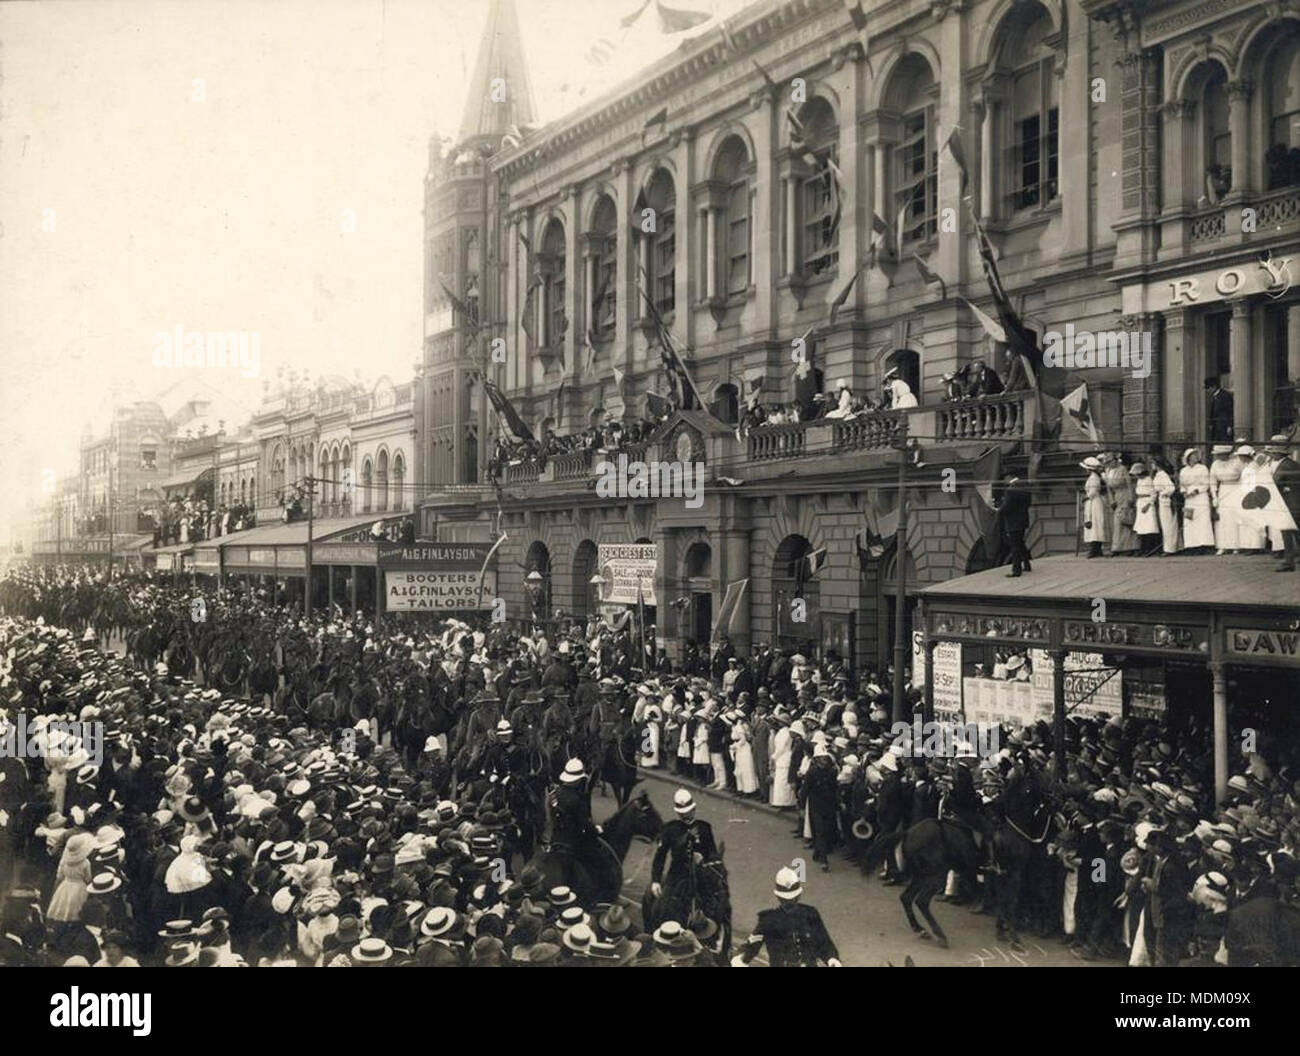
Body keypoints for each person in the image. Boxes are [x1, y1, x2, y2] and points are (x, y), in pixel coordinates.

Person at [733, 866, 842, 966]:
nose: (789, 903)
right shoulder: (768, 921)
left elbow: (824, 943)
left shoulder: (810, 914)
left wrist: (832, 959)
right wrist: (740, 958)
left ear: (799, 896)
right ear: (778, 897)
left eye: (792, 899)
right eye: (785, 900)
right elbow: (752, 946)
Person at [649, 788, 719, 903]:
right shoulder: (669, 829)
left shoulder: (704, 828)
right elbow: (660, 857)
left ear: (694, 809)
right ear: (677, 813)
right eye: (682, 814)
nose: (686, 816)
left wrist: (702, 858)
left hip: (700, 876)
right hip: (677, 876)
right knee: (665, 905)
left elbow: (713, 854)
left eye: (688, 812)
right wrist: (655, 880)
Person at [1264, 435, 1300, 571]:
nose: (1272, 454)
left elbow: (1276, 483)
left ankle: (1288, 561)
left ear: (1279, 452)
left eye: (1273, 452)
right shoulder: (1291, 464)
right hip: (1293, 502)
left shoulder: (1286, 466)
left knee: (1287, 532)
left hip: (1289, 503)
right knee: (1295, 532)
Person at [995, 471, 1032, 576]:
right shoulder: (1025, 486)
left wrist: (998, 510)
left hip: (1013, 522)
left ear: (1009, 477)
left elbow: (1007, 507)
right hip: (1023, 520)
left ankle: (1016, 570)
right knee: (1020, 543)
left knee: (1015, 546)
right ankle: (1027, 564)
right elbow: (1028, 503)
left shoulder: (1010, 490)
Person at [1178, 448, 1215, 553]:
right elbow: (1182, 485)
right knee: (1190, 520)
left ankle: (1204, 545)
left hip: (1200, 496)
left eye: (1195, 455)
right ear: (1188, 458)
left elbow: (1206, 484)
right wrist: (1184, 492)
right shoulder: (1183, 470)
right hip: (1189, 498)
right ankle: (1191, 545)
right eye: (1192, 456)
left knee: (1202, 520)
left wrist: (1196, 491)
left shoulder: (1202, 468)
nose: (1195, 457)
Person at [1103, 452, 1139, 555]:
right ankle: (1117, 547)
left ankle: (1131, 547)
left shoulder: (1122, 469)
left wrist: (1131, 498)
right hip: (1116, 496)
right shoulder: (1108, 471)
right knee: (1116, 522)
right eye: (1107, 462)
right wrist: (1112, 500)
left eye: (1111, 461)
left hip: (1125, 494)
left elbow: (1129, 484)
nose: (1110, 463)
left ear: (1115, 460)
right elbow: (1108, 488)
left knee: (1126, 520)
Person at [1208, 444, 1241, 554]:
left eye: (1221, 454)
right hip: (1223, 490)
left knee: (1234, 517)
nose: (1218, 457)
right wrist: (1214, 496)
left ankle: (1236, 545)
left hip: (1236, 489)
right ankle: (1223, 545)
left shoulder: (1237, 462)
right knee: (1223, 518)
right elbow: (1212, 481)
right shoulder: (1215, 464)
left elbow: (1244, 477)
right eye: (1217, 455)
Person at [1079, 455, 1109, 558]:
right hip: (1092, 502)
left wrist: (1085, 497)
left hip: (1094, 502)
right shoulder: (1093, 477)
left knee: (1096, 524)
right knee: (1092, 524)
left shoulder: (1094, 478)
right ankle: (1096, 548)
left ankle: (1095, 548)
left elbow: (1093, 492)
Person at [1151, 456, 1181, 555]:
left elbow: (1171, 488)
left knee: (1168, 525)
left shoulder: (1163, 475)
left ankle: (1170, 549)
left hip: (1166, 501)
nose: (1152, 465)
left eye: (1153, 463)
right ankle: (1167, 547)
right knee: (1164, 525)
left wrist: (1163, 493)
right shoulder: (1157, 475)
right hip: (1161, 501)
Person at [1130, 462, 1160, 555]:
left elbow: (1153, 494)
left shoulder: (1148, 480)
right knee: (1141, 527)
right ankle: (1143, 548)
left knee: (1149, 527)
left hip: (1147, 503)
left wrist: (1148, 504)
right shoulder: (1139, 481)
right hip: (1140, 502)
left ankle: (1149, 548)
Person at [1206, 376, 1234, 443]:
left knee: (1224, 443)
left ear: (1214, 387)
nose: (1208, 391)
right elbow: (1212, 412)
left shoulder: (1225, 396)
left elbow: (1230, 411)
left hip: (1224, 425)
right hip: (1216, 427)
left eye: (1208, 388)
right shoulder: (1213, 397)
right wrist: (1211, 424)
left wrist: (1230, 426)